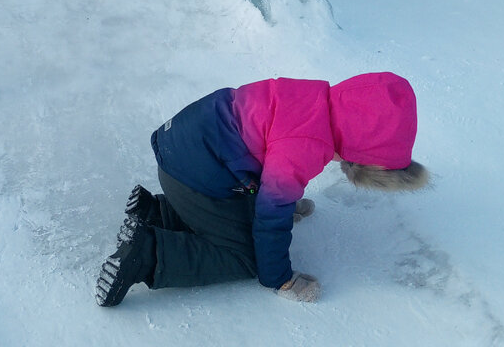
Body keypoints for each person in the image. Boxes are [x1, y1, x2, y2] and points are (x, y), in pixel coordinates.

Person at [95, 71, 429, 307]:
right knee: (244, 254)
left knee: (243, 215)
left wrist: (284, 198)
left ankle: (156, 211)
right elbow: (271, 215)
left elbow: (267, 155)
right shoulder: (307, 143)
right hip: (194, 173)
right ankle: (146, 253)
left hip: (187, 148)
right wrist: (279, 277)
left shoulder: (312, 99)